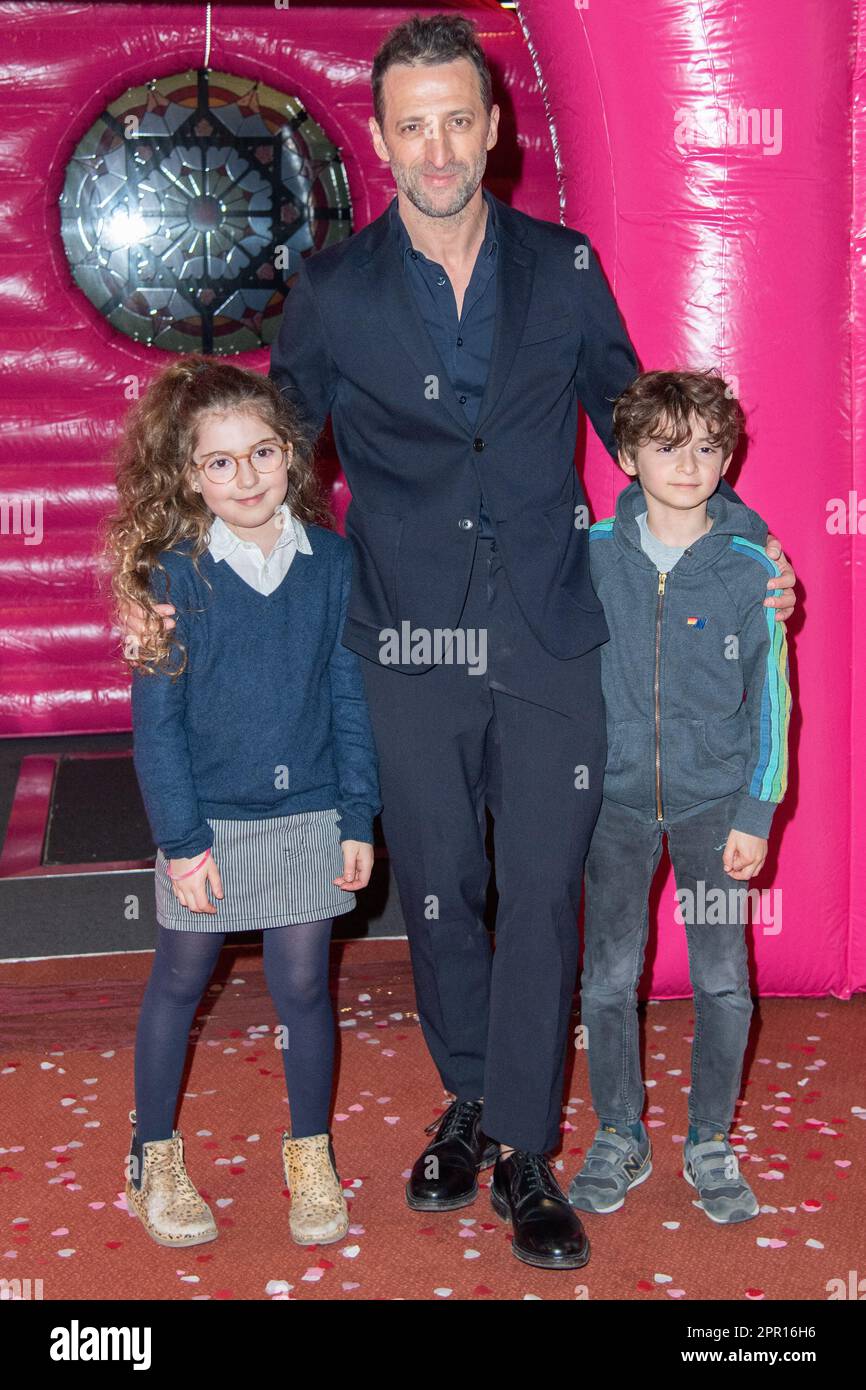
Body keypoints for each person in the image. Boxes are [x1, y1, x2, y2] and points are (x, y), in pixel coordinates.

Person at [123, 15, 798, 1270]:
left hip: (551, 637)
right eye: (411, 123)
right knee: (439, 894)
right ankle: (476, 1099)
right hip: (405, 641)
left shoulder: (566, 267)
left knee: (539, 894)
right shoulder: (329, 289)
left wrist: (745, 550)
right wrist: (166, 569)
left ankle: (528, 1150)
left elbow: (642, 422)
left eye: (457, 118)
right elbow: (264, 452)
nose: (436, 146)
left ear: (494, 133)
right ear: (381, 141)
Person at [106, 357, 380, 1249]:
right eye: (219, 462)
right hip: (209, 826)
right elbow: (160, 729)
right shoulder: (172, 579)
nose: (247, 476)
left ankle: (308, 1150)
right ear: (185, 474)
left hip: (308, 816)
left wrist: (356, 814)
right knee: (181, 981)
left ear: (291, 458)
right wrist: (181, 841)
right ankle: (153, 1152)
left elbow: (348, 696)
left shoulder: (333, 562)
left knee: (304, 983)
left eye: (262, 452)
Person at [569, 370, 791, 1225]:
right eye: (667, 446)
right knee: (608, 979)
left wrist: (756, 810)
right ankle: (620, 1132)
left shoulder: (749, 568)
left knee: (724, 980)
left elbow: (773, 695)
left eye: (707, 447)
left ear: (729, 455)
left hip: (711, 809)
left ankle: (709, 1140)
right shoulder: (589, 556)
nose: (690, 464)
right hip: (614, 808)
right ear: (628, 455)